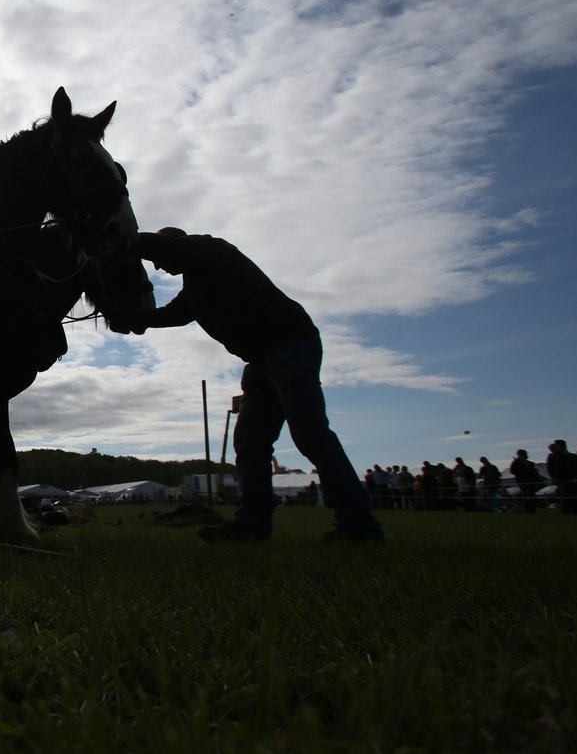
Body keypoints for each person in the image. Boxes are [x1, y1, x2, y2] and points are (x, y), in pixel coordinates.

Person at [124, 228, 383, 543]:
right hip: (263, 358)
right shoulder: (198, 281)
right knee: (250, 443)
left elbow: (167, 250)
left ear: (175, 244)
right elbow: (172, 315)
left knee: (311, 435)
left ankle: (359, 526)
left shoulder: (207, 248)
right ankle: (252, 524)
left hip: (289, 344)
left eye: (159, 260)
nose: (157, 267)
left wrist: (122, 238)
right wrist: (136, 317)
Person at [547, 440, 577, 514]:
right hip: (560, 478)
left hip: (571, 477)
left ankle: (573, 508)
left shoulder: (570, 455)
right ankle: (565, 510)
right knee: (564, 494)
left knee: (571, 493)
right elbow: (550, 468)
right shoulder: (553, 456)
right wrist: (553, 477)